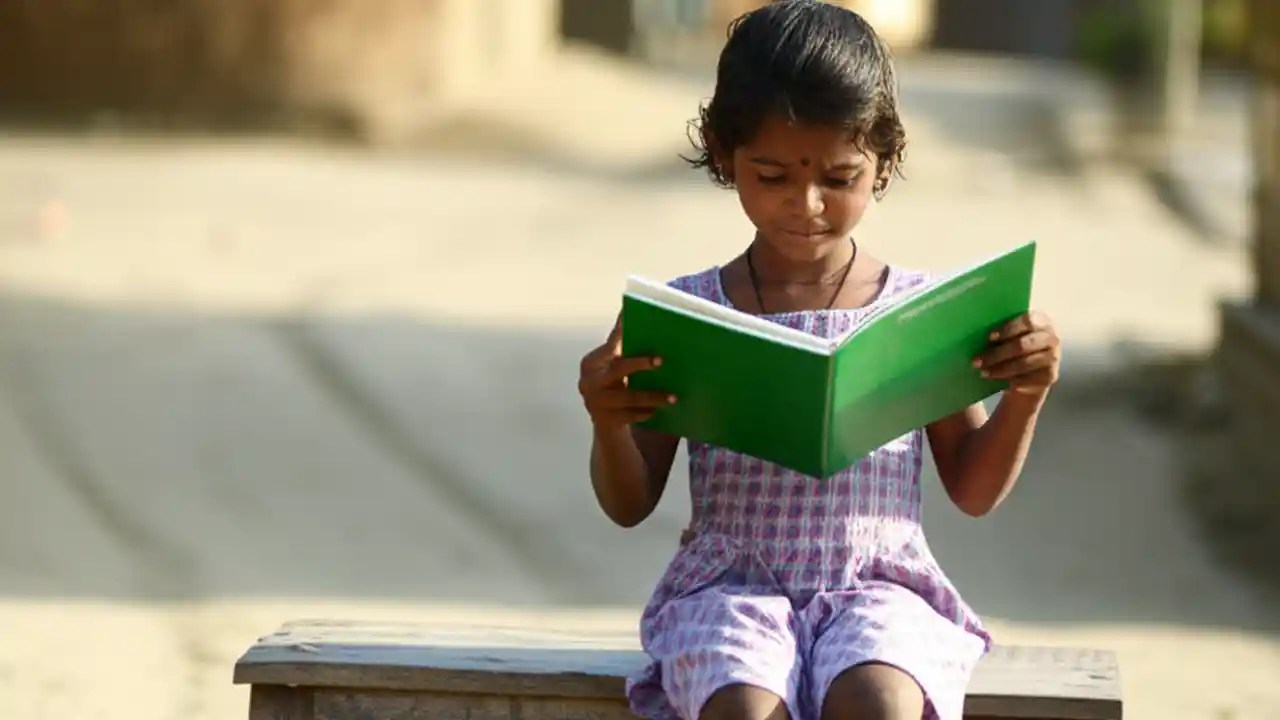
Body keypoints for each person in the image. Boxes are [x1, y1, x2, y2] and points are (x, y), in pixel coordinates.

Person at [576, 2, 1061, 719]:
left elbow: (973, 489)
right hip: (729, 592)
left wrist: (1027, 393)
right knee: (741, 705)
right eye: (771, 176)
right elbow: (629, 502)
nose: (806, 205)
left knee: (881, 698)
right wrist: (607, 420)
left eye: (839, 178)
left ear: (885, 161)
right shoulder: (686, 314)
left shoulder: (917, 315)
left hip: (879, 591)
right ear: (722, 152)